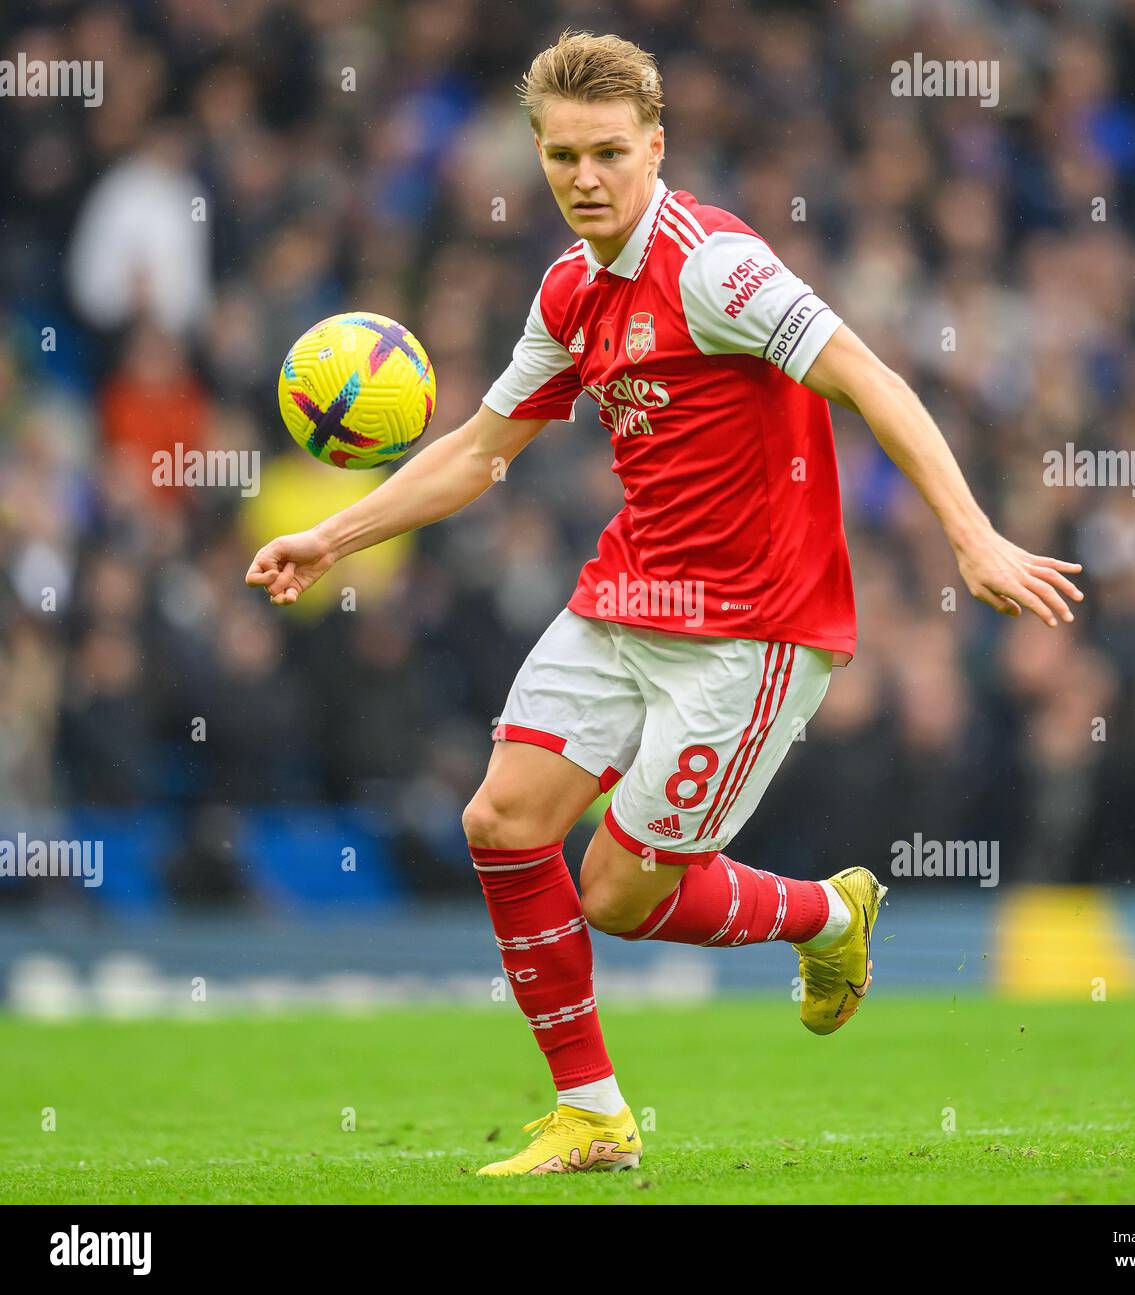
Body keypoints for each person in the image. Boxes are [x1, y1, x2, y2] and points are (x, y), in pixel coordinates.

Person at [246, 30, 1084, 1176]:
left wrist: (972, 532)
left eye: (605, 153)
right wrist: (333, 537)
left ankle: (828, 917)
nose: (582, 179)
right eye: (559, 157)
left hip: (752, 628)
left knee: (618, 895)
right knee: (499, 821)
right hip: (625, 596)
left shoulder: (714, 267)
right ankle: (591, 1115)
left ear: (654, 147)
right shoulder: (568, 290)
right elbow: (485, 447)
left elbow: (871, 378)